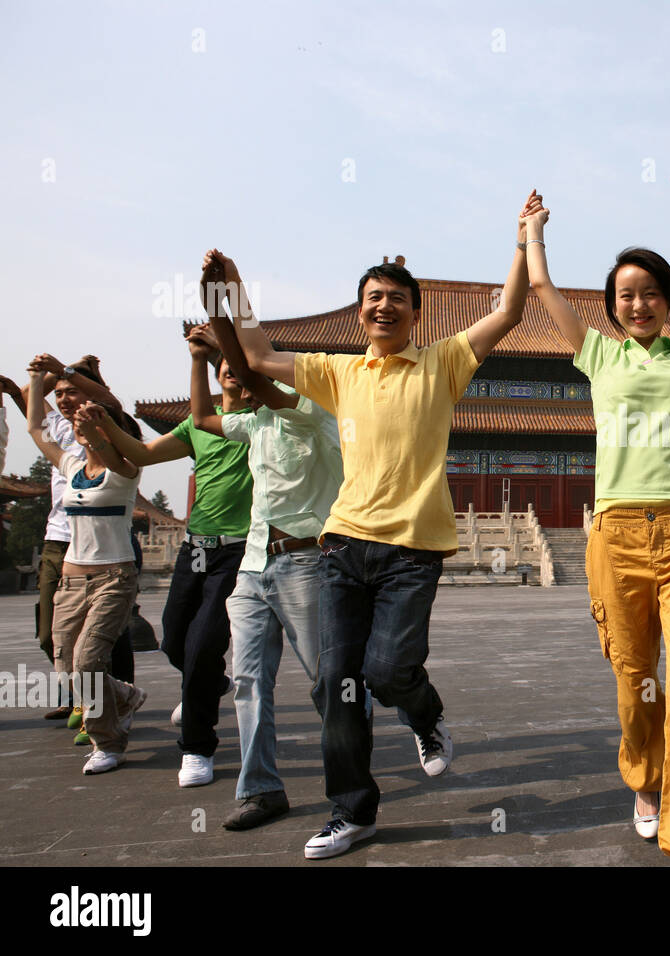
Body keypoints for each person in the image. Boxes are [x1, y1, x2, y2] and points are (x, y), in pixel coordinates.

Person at [224, 194, 533, 859]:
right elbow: (254, 354)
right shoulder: (335, 373)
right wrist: (234, 293)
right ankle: (353, 812)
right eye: (372, 296)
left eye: (396, 296)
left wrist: (522, 238)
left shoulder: (442, 364)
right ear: (360, 309)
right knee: (338, 686)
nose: (383, 304)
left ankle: (426, 715)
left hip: (411, 553)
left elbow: (508, 313)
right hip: (342, 549)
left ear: (416, 313)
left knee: (389, 672)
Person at [522, 157, 670, 866]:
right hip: (615, 536)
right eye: (625, 295)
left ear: (669, 302)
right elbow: (540, 287)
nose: (639, 304)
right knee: (634, 681)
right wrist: (532, 232)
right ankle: (645, 779)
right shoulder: (596, 356)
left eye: (651, 294)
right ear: (611, 305)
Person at [188, 250, 344, 830]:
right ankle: (261, 789)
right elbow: (204, 418)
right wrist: (202, 353)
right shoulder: (252, 422)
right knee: (249, 681)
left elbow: (253, 370)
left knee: (327, 680)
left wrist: (230, 291)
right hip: (253, 567)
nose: (241, 380)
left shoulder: (312, 409)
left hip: (307, 565)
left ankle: (349, 778)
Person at [92, 332, 253, 788]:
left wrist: (203, 357)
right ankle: (212, 683)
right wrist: (105, 425)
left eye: (241, 374)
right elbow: (141, 453)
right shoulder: (196, 427)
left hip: (237, 549)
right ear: (219, 377)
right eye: (226, 371)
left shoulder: (261, 424)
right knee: (174, 642)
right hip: (196, 546)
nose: (234, 378)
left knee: (203, 646)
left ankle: (198, 748)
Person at [24, 361, 146, 774]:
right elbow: (37, 430)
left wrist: (104, 421)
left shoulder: (124, 472)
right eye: (77, 423)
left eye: (86, 421)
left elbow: (121, 433)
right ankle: (124, 695)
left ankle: (107, 742)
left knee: (89, 660)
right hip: (72, 580)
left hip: (114, 576)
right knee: (65, 665)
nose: (77, 425)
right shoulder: (71, 468)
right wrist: (35, 382)